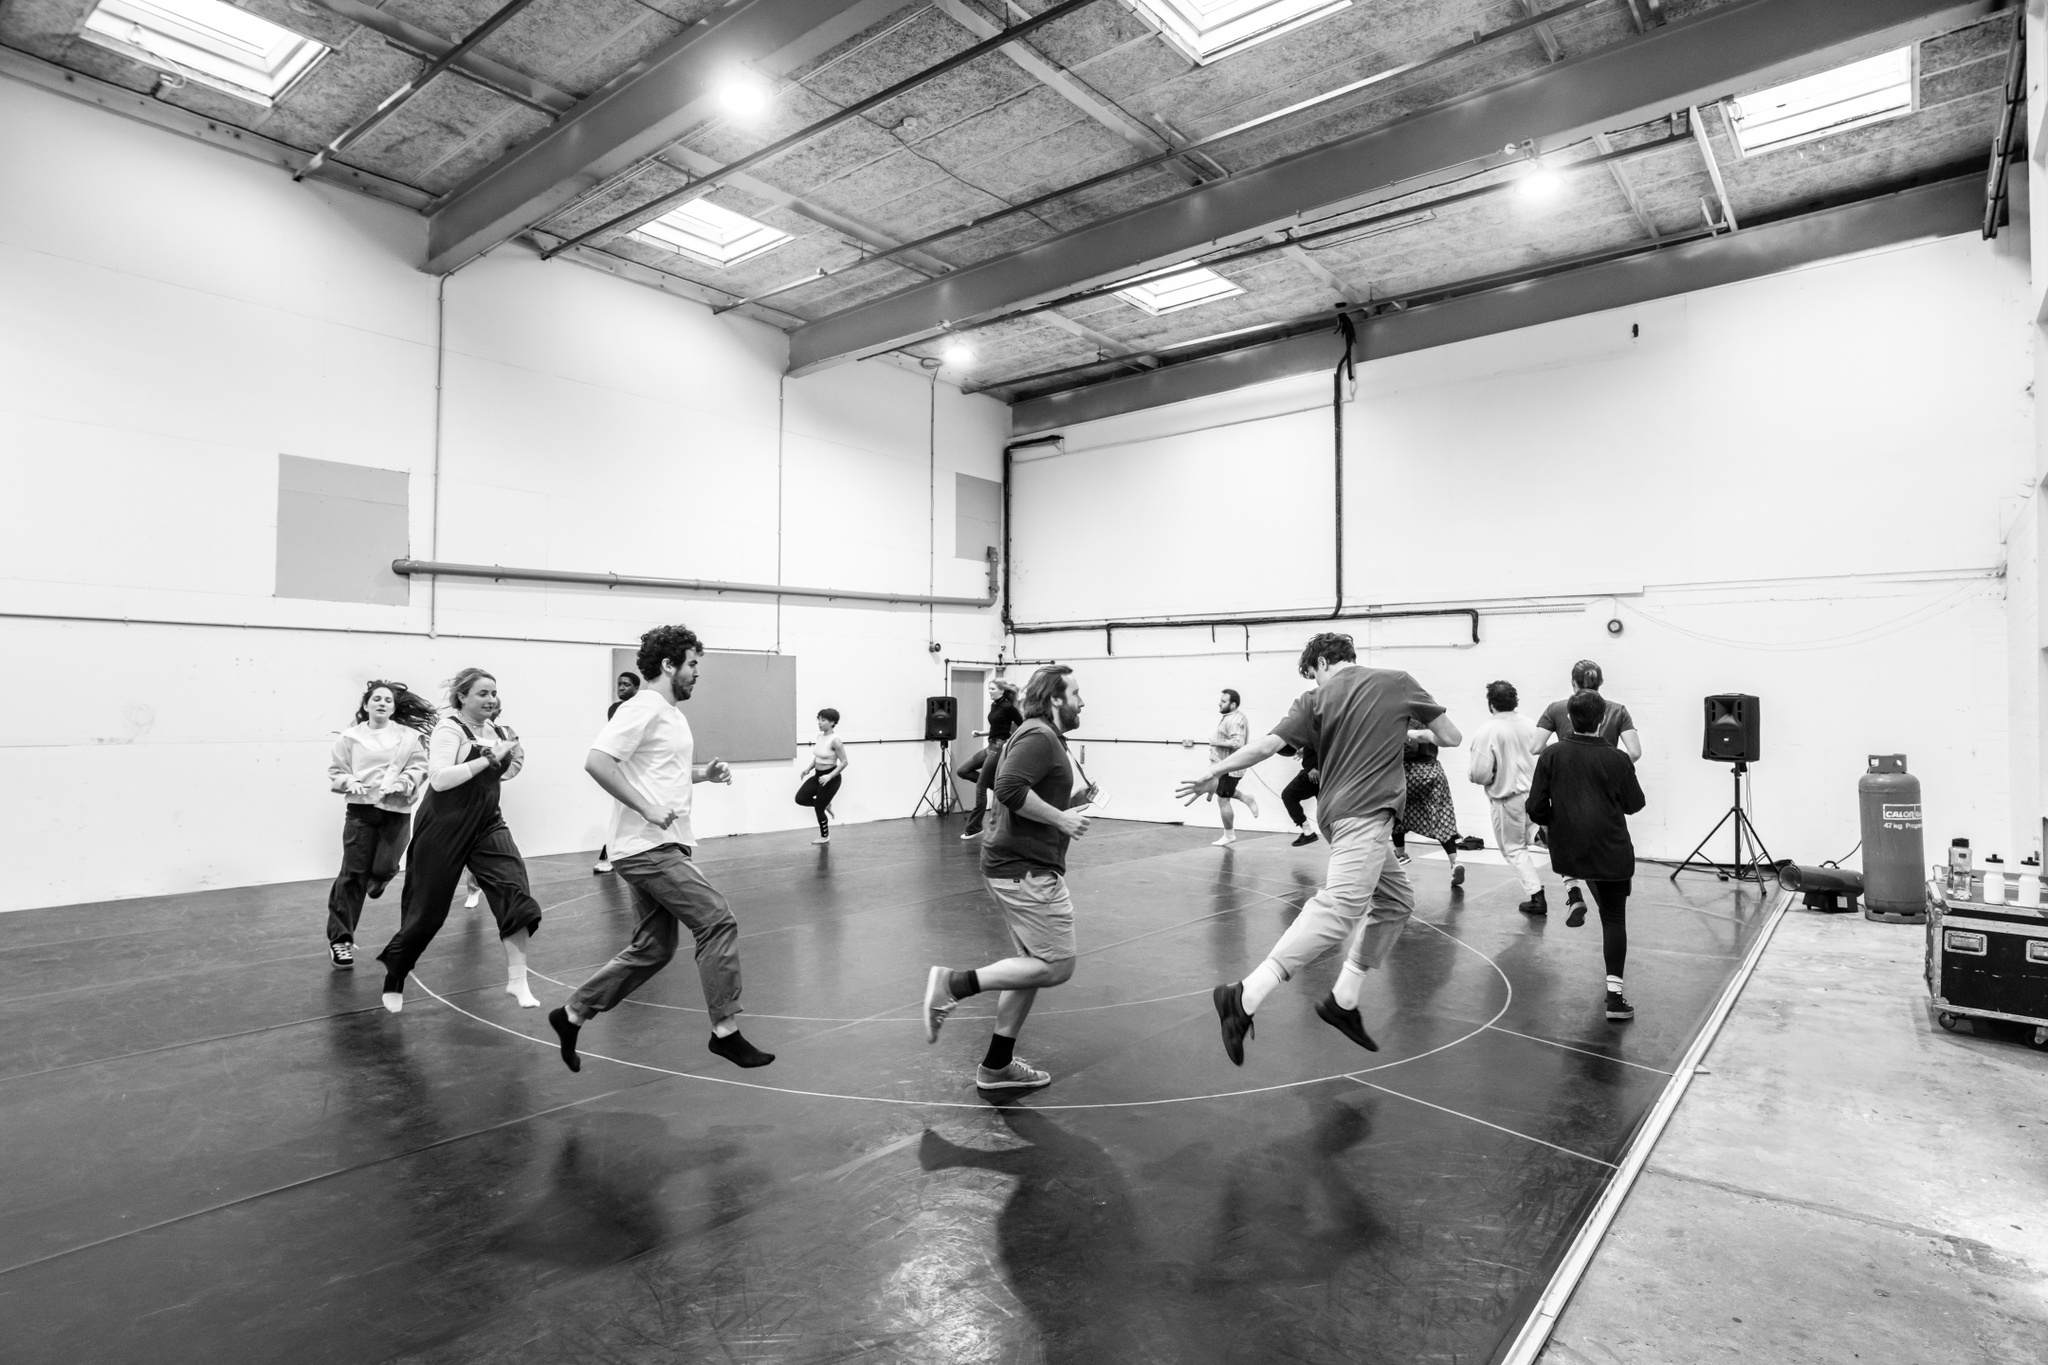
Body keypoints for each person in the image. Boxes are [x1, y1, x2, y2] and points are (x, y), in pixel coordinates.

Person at [1179, 633, 1459, 1066]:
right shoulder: (1399, 682)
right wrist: (1409, 728)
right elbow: (1451, 737)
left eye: (1314, 673)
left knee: (1397, 901)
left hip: (1338, 815)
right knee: (1340, 907)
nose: (1315, 681)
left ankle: (1344, 999)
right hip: (1367, 813)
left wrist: (1213, 770)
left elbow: (1267, 746)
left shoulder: (1313, 701)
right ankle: (1244, 995)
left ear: (1325, 661)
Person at [549, 624, 774, 1073]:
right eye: (692, 664)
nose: (697, 673)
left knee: (653, 948)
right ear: (668, 664)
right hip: (648, 848)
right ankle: (725, 1031)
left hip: (660, 844)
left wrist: (702, 775)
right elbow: (597, 761)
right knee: (716, 919)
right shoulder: (642, 706)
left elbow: (657, 770)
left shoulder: (670, 713)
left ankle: (572, 1013)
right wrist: (648, 808)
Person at [921, 665, 1098, 1092]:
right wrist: (1061, 818)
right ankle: (955, 984)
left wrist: (1070, 802)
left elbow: (1025, 789)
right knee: (1056, 967)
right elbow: (1008, 789)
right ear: (1055, 698)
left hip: (1021, 866)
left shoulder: (1044, 736)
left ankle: (996, 1067)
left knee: (1030, 968)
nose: (1082, 701)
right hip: (1026, 871)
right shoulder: (1038, 736)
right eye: (1075, 693)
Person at [376, 669, 544, 1014]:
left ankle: (517, 979)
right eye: (482, 693)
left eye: (494, 693)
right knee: (426, 915)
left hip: (486, 822)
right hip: (443, 825)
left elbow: (508, 770)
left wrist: (509, 757)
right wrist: (487, 759)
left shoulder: (500, 731)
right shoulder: (450, 728)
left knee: (515, 892)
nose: (491, 699)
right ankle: (395, 976)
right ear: (463, 697)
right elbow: (438, 780)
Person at [1526, 689, 1647, 1021]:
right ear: (1603, 719)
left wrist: (1562, 816)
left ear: (1569, 719)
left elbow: (1535, 808)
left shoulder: (1551, 755)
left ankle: (1572, 889)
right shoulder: (1617, 758)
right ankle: (1615, 999)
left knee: (1568, 852)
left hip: (1568, 851)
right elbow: (1635, 804)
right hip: (1610, 851)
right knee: (1613, 919)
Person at [324, 681, 435, 969]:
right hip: (361, 812)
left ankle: (379, 879)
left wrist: (405, 781)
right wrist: (351, 781)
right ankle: (341, 940)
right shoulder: (350, 738)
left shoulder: (409, 737)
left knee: (385, 868)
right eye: (377, 699)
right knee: (352, 875)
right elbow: (337, 771)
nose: (382, 703)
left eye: (388, 700)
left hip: (396, 810)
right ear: (366, 705)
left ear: (394, 707)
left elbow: (419, 766)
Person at [1535, 661, 1641, 924]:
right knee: (1611, 908)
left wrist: (1559, 757)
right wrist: (1614, 766)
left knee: (1551, 828)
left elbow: (1535, 746)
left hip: (1568, 796)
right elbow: (1635, 752)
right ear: (1600, 683)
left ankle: (1572, 888)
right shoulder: (1616, 710)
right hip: (1603, 799)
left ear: (1573, 684)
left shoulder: (1558, 708)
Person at [1466, 680, 1547, 915]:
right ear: (1515, 701)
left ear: (1491, 704)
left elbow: (1479, 774)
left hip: (1507, 800)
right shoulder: (1532, 725)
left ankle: (1536, 896)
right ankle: (1547, 844)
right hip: (1534, 795)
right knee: (1531, 832)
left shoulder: (1487, 731)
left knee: (1513, 848)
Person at [1392, 730, 1464, 887]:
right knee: (1442, 815)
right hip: (1432, 770)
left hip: (1406, 771)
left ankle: (1400, 854)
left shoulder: (1402, 713)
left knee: (1397, 812)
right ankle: (1454, 862)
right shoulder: (1429, 716)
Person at [960, 678, 1023, 839]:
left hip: (998, 748)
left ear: (1002, 691)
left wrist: (1008, 743)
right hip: (990, 746)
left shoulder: (1009, 707)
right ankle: (999, 787)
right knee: (963, 770)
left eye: (992, 689)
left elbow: (1022, 726)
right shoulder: (995, 705)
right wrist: (981, 733)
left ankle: (974, 827)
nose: (989, 691)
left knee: (980, 787)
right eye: (989, 688)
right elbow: (998, 727)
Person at [595, 671, 641, 873]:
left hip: (637, 767)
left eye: (626, 684)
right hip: (623, 767)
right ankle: (608, 856)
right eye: (619, 684)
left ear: (636, 688)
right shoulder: (617, 709)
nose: (621, 687)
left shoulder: (641, 709)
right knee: (620, 812)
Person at [1210, 688, 1259, 846]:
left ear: (1233, 705)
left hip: (1230, 768)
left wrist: (1216, 742)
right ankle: (1246, 797)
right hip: (1224, 766)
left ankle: (1229, 835)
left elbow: (1237, 743)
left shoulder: (1235, 720)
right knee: (1223, 792)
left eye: (1223, 701)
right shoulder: (1230, 717)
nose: (1219, 703)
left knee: (1223, 800)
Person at [795, 708, 849, 843]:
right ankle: (825, 804)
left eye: (823, 720)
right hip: (818, 775)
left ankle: (825, 836)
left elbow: (844, 762)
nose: (819, 723)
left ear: (832, 722)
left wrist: (829, 776)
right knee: (800, 798)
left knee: (818, 808)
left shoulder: (835, 741)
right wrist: (808, 769)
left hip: (831, 778)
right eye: (818, 719)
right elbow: (818, 757)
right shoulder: (820, 737)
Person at [1279, 743, 1321, 848]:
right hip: (1317, 771)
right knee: (1325, 808)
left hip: (1313, 773)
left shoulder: (1321, 727)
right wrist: (1307, 752)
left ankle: (1308, 832)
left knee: (1288, 795)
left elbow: (1328, 744)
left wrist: (1317, 766)